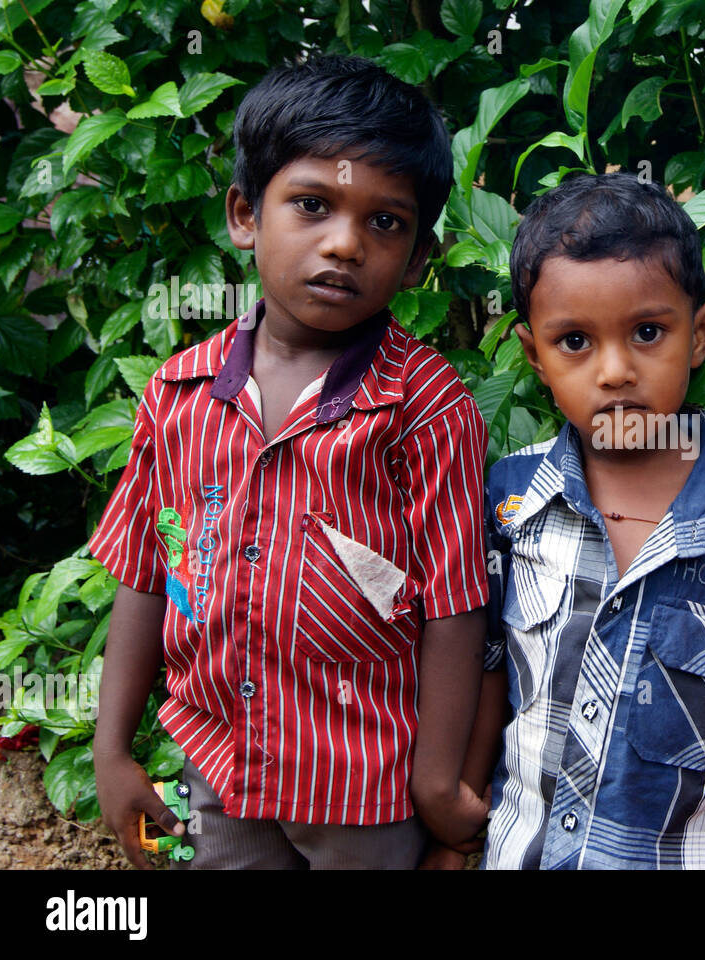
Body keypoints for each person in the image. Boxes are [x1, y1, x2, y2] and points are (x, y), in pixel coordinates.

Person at [90, 55, 489, 869]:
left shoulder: (426, 408)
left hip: (366, 787)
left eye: (386, 222)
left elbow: (454, 607)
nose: (345, 243)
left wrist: (438, 784)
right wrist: (111, 751)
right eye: (312, 204)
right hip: (219, 766)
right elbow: (144, 569)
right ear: (245, 214)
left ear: (416, 260)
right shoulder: (178, 394)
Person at [464, 172, 705, 869]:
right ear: (534, 356)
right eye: (575, 343)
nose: (616, 371)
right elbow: (487, 675)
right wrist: (457, 819)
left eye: (648, 332)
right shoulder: (509, 505)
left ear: (701, 334)